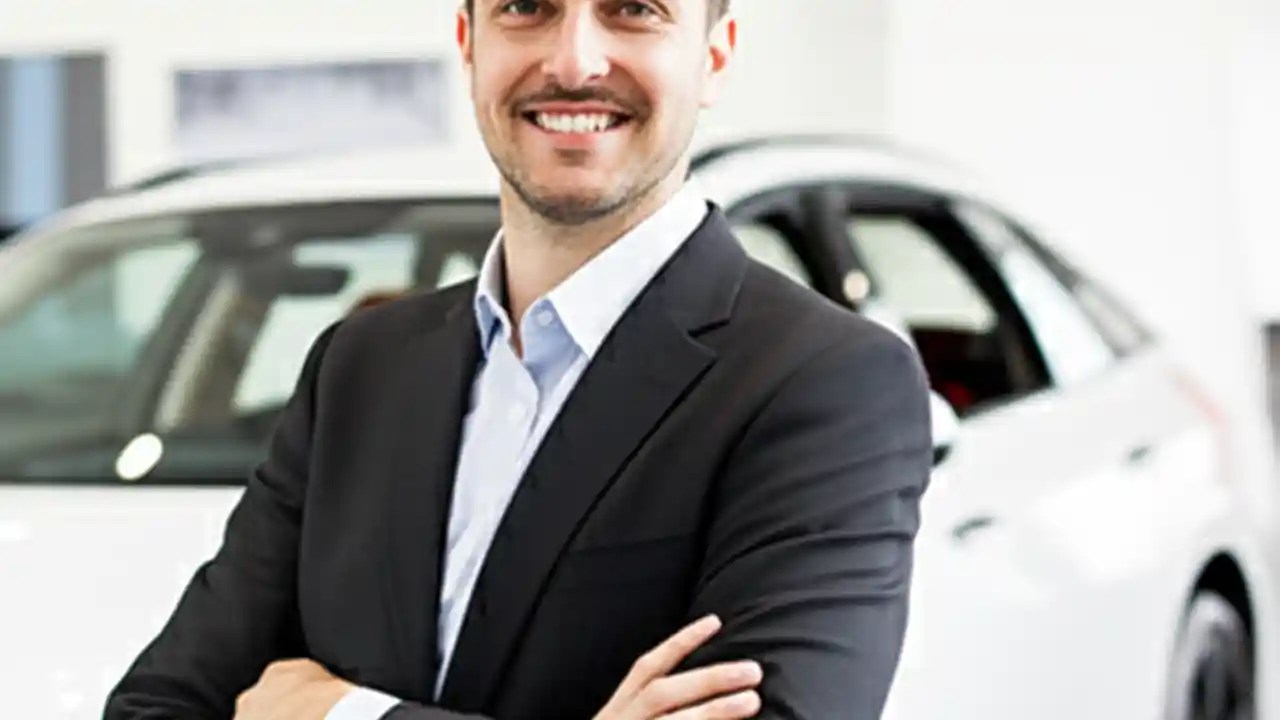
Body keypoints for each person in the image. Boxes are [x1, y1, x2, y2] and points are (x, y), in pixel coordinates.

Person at [105, 0, 933, 718]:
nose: (573, 61)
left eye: (634, 9)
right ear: (469, 41)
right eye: (526, 8)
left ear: (713, 55)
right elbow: (154, 707)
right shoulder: (362, 367)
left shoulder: (825, 383)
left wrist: (345, 714)